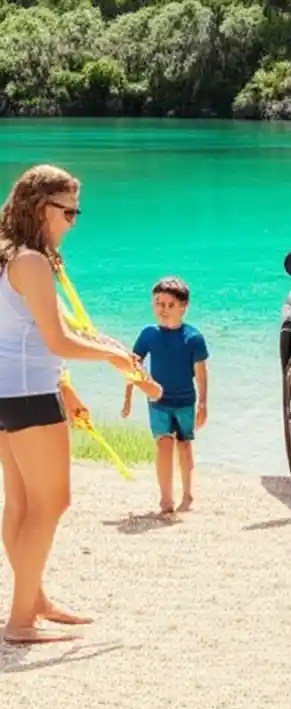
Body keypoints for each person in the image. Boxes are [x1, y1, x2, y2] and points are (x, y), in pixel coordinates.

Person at [0, 164, 141, 644]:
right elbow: (57, 340)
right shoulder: (33, 263)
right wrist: (110, 356)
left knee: (19, 502)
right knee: (51, 502)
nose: (73, 222)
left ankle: (32, 598)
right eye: (69, 212)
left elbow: (33, 334)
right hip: (29, 394)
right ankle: (20, 621)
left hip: (8, 391)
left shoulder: (9, 257)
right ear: (43, 209)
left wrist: (104, 350)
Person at [122, 277, 209, 514]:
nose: (163, 309)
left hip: (185, 401)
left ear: (184, 307)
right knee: (163, 445)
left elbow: (201, 373)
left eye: (170, 305)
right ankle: (166, 499)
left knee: (184, 445)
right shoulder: (149, 334)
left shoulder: (193, 337)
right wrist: (128, 398)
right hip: (158, 402)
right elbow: (132, 365)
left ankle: (188, 495)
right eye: (158, 303)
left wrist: (203, 403)